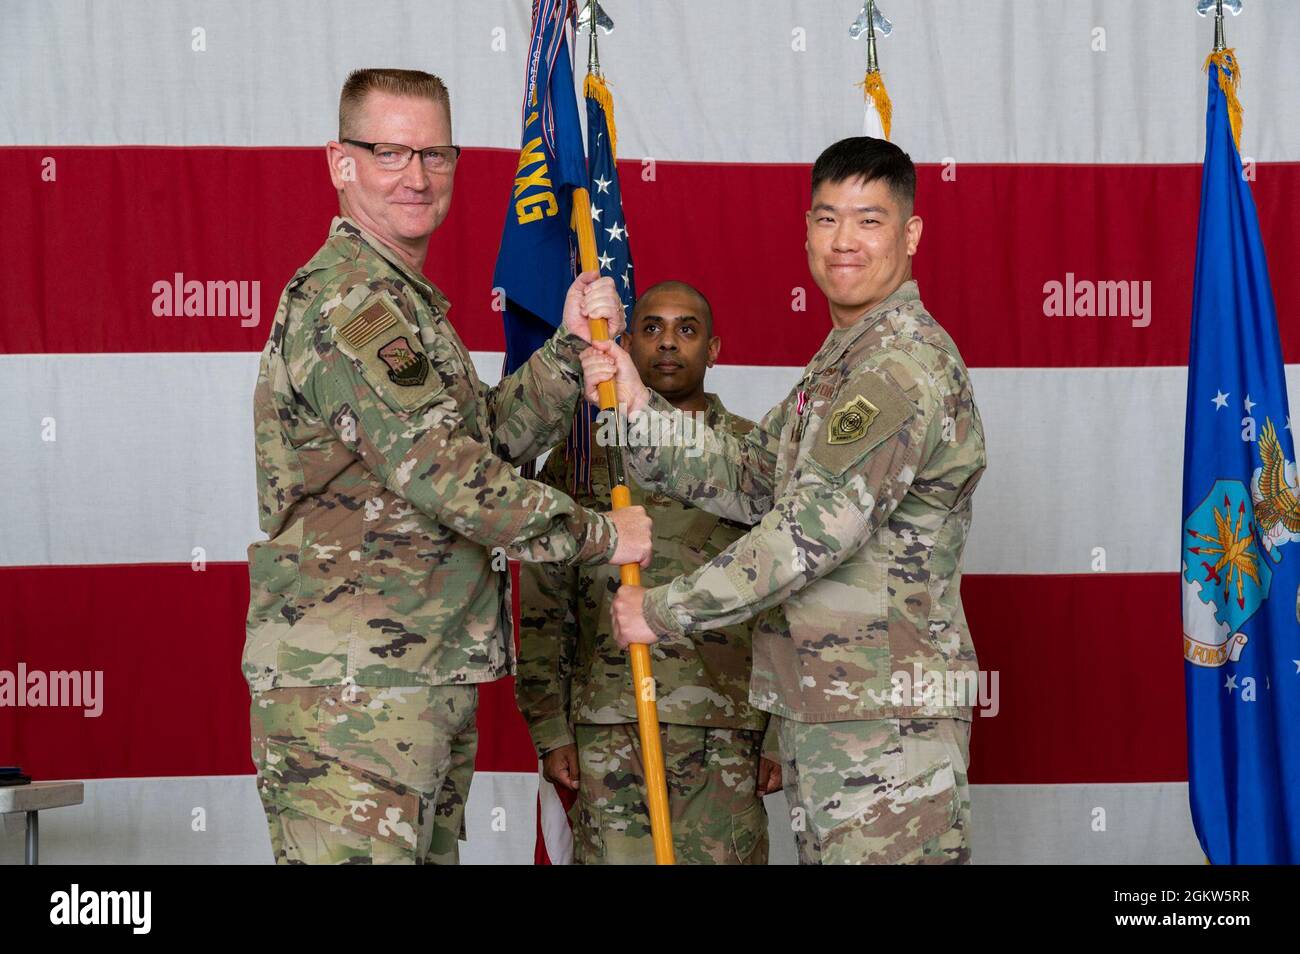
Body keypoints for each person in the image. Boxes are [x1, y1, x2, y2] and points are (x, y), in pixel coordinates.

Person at [242, 68, 651, 864]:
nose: (417, 177)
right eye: (390, 152)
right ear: (340, 161)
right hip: (355, 691)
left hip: (414, 675)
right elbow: (444, 472)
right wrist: (602, 536)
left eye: (436, 154)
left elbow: (479, 442)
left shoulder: (404, 300)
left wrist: (568, 351)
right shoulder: (350, 302)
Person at [583, 137, 987, 864]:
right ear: (806, 231)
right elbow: (752, 474)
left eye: (869, 220)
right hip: (834, 711)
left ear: (911, 233)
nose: (844, 242)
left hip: (883, 726)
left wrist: (663, 609)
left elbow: (805, 534)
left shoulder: (895, 368)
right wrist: (639, 406)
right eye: (828, 219)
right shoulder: (842, 361)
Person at [517, 281, 782, 864]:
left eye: (686, 330)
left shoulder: (751, 454)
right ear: (627, 343)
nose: (668, 344)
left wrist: (782, 732)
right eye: (652, 329)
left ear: (714, 349)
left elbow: (786, 595)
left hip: (723, 723)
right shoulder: (584, 451)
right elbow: (544, 597)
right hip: (609, 722)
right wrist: (549, 725)